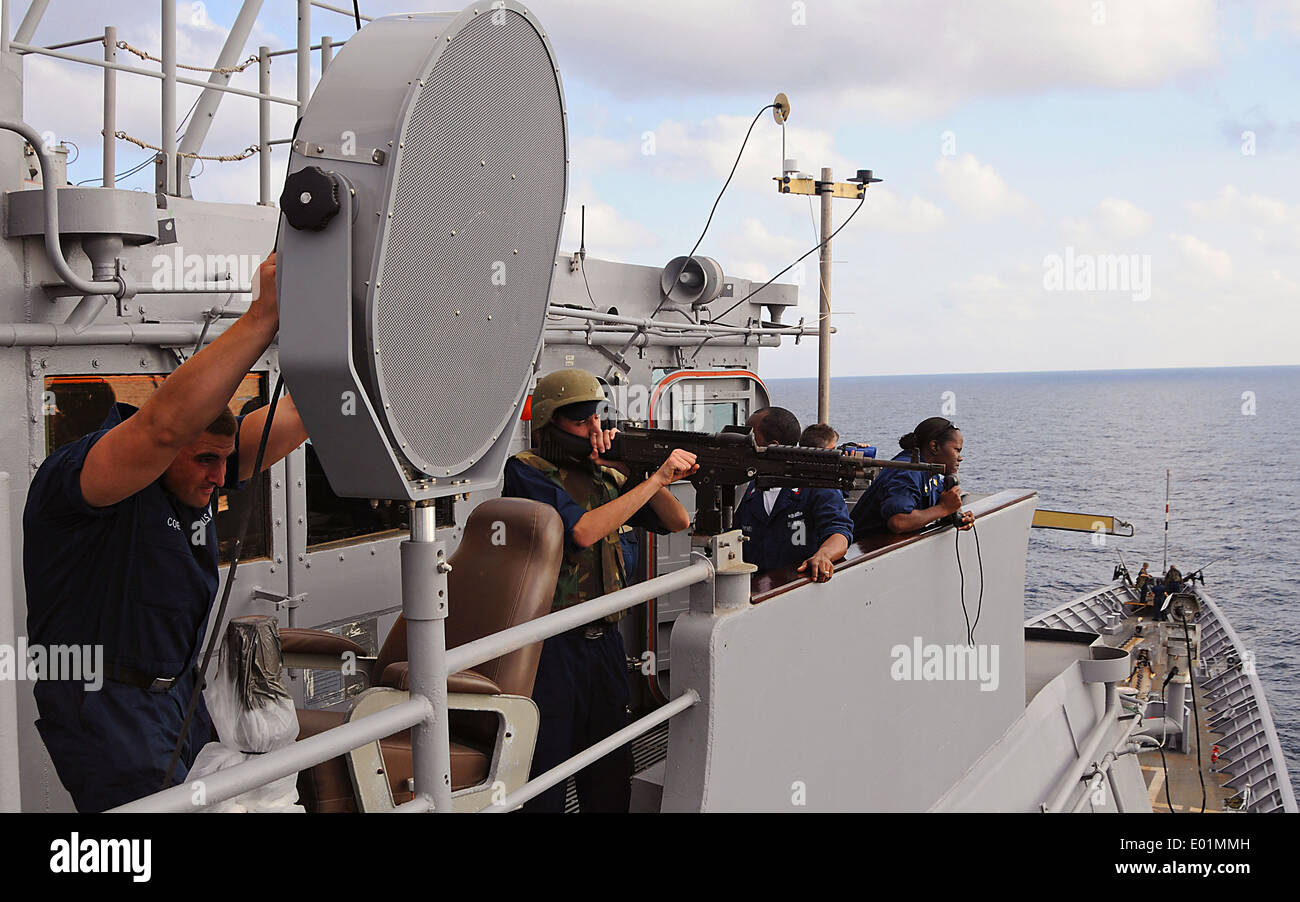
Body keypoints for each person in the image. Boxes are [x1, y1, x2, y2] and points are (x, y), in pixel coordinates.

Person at [23, 253, 308, 812]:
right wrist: (261, 318)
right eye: (206, 459)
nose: (221, 477)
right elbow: (161, 427)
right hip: (108, 711)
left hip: (178, 696)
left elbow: (296, 415)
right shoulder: (85, 482)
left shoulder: (194, 475)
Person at [502, 369, 697, 812]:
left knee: (610, 767)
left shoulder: (608, 477)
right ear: (550, 424)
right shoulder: (528, 472)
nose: (594, 429)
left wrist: (642, 470)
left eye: (596, 419)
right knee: (546, 769)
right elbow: (584, 532)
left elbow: (677, 521)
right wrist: (654, 479)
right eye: (580, 422)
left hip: (604, 642)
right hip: (551, 646)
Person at [732, 408, 853, 582]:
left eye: (751, 437)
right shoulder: (748, 487)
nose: (745, 444)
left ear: (772, 446)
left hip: (795, 587)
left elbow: (839, 531)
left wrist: (823, 555)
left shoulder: (816, 484)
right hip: (754, 590)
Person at [851, 416, 973, 539]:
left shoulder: (931, 475)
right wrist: (944, 508)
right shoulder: (909, 471)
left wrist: (957, 516)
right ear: (934, 447)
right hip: (863, 549)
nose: (960, 458)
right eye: (957, 450)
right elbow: (899, 522)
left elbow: (940, 502)